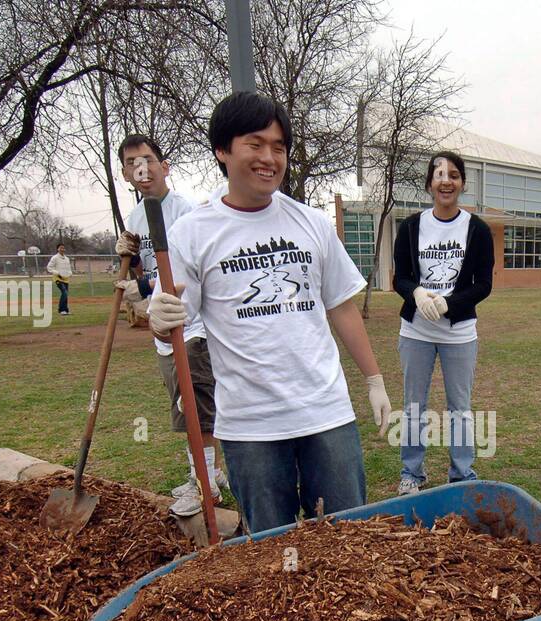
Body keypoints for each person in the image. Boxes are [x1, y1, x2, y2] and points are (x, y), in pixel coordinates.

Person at [148, 91, 392, 533]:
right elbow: (175, 323)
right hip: (250, 425)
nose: (269, 158)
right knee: (269, 549)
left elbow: (340, 306)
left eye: (279, 147)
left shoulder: (312, 223)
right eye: (255, 144)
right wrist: (160, 323)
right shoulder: (190, 233)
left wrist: (373, 379)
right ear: (222, 150)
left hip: (326, 412)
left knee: (347, 538)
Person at [112, 133, 226, 518]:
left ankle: (205, 485)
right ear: (126, 174)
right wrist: (134, 274)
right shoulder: (135, 217)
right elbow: (148, 269)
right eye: (131, 162)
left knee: (195, 408)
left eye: (147, 159)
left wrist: (143, 288)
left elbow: (187, 272)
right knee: (183, 405)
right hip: (162, 332)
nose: (140, 168)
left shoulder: (185, 212)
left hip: (191, 328)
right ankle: (209, 473)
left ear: (164, 167)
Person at [391, 151, 494, 494]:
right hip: (416, 331)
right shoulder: (410, 227)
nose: (446, 180)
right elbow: (400, 278)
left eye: (453, 174)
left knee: (460, 408)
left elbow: (483, 284)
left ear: (462, 183)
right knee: (413, 406)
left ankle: (462, 473)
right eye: (438, 174)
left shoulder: (477, 229)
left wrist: (449, 304)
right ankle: (411, 474)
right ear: (429, 183)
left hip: (459, 333)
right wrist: (418, 294)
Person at [46, 244, 71, 315]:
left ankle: (66, 310)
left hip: (66, 279)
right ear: (58, 249)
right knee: (64, 292)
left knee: (65, 294)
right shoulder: (55, 258)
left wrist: (69, 273)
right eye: (60, 248)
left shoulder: (67, 258)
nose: (62, 249)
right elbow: (49, 268)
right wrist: (58, 273)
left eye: (63, 248)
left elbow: (68, 268)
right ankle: (61, 310)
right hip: (58, 278)